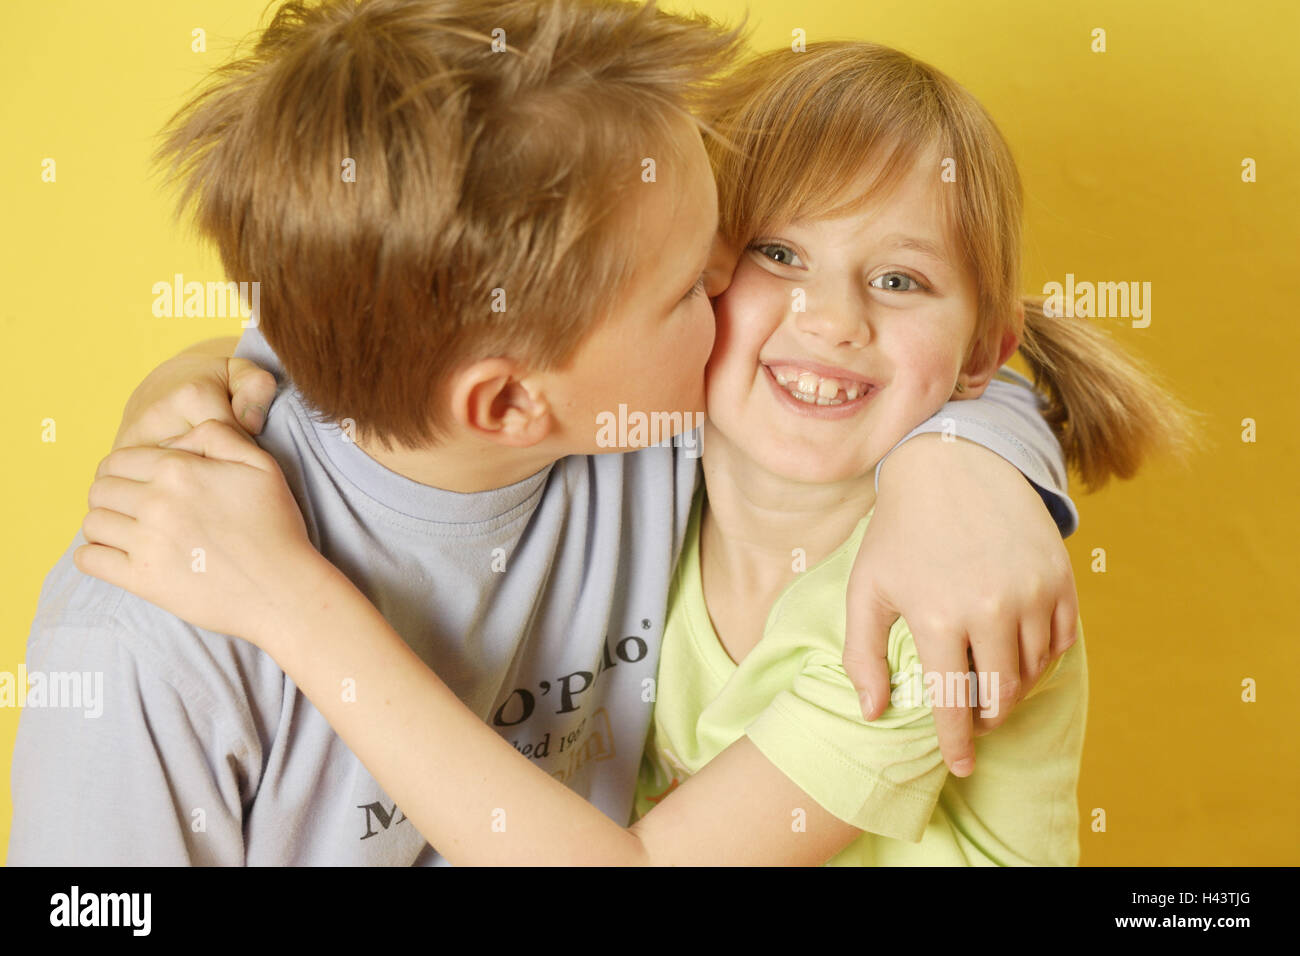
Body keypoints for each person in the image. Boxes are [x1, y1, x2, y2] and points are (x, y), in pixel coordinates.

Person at [10, 1, 1079, 866]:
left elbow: (922, 366)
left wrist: (970, 470)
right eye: (696, 282)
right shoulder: (152, 633)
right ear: (510, 404)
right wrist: (203, 408)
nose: (739, 286)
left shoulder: (641, 433)